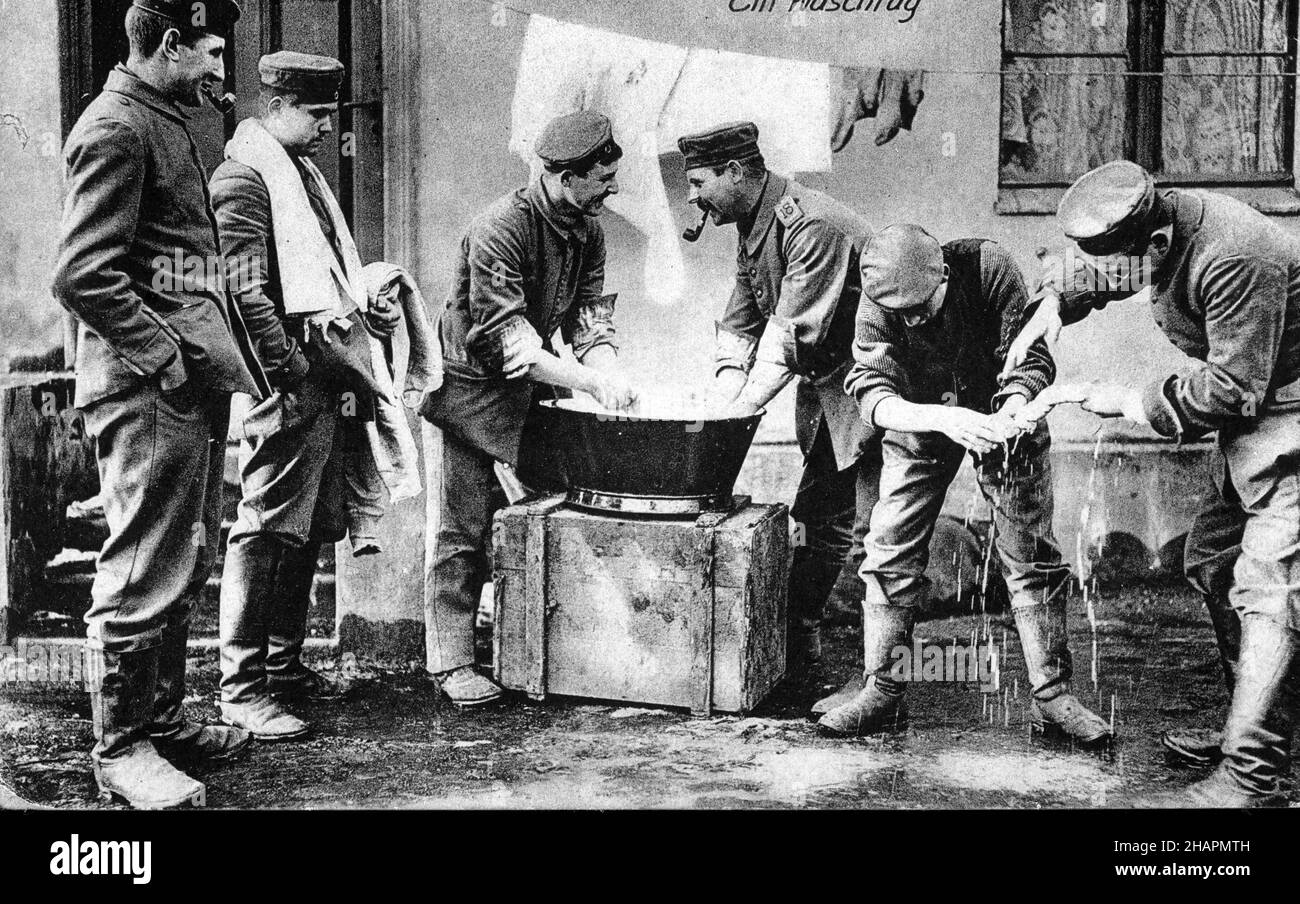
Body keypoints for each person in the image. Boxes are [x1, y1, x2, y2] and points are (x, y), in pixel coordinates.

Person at [1007, 160, 1300, 806]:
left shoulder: (1233, 254)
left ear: (1160, 248)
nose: (1114, 287)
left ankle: (1252, 775)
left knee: (1270, 589)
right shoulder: (1153, 223)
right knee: (1215, 559)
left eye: (1127, 270)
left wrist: (1121, 398)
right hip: (1259, 408)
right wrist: (1054, 305)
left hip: (1288, 413)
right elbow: (1099, 268)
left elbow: (1231, 389)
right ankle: (1255, 732)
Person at [52, 0, 265, 809]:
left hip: (182, 386)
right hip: (146, 388)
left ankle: (163, 718)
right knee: (143, 561)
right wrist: (169, 357)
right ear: (170, 43)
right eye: (210, 52)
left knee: (183, 554)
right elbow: (82, 274)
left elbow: (171, 259)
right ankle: (122, 748)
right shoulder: (115, 127)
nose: (218, 70)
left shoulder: (165, 116)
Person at [819, 223, 1113, 749]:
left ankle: (1053, 697)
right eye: (901, 313)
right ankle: (882, 689)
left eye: (922, 308)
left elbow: (1033, 354)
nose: (913, 320)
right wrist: (940, 420)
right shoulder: (879, 297)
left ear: (946, 277)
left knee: (1029, 555)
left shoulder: (989, 268)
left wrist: (1014, 409)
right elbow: (869, 392)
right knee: (888, 548)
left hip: (1006, 417)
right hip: (921, 422)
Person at [420, 111, 638, 706]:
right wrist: (590, 384)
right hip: (471, 390)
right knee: (461, 529)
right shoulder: (501, 227)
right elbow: (508, 339)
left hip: (535, 387)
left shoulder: (588, 228)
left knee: (557, 509)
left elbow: (590, 316)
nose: (613, 187)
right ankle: (453, 662)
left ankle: (553, 647)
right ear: (566, 178)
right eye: (604, 178)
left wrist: (610, 372)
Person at [210, 51, 397, 740]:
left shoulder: (301, 175)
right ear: (279, 104)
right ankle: (241, 686)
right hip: (286, 378)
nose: (324, 127)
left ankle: (284, 665)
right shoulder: (244, 179)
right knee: (263, 528)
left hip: (323, 373)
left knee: (310, 523)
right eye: (316, 114)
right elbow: (246, 291)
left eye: (328, 113)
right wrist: (287, 369)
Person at [676, 122, 879, 696]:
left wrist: (733, 418)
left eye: (698, 182)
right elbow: (741, 326)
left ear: (736, 172)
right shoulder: (753, 227)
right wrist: (720, 399)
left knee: (873, 531)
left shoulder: (809, 224)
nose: (692, 196)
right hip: (829, 390)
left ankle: (879, 681)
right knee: (819, 516)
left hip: (880, 388)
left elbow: (788, 341)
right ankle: (799, 641)